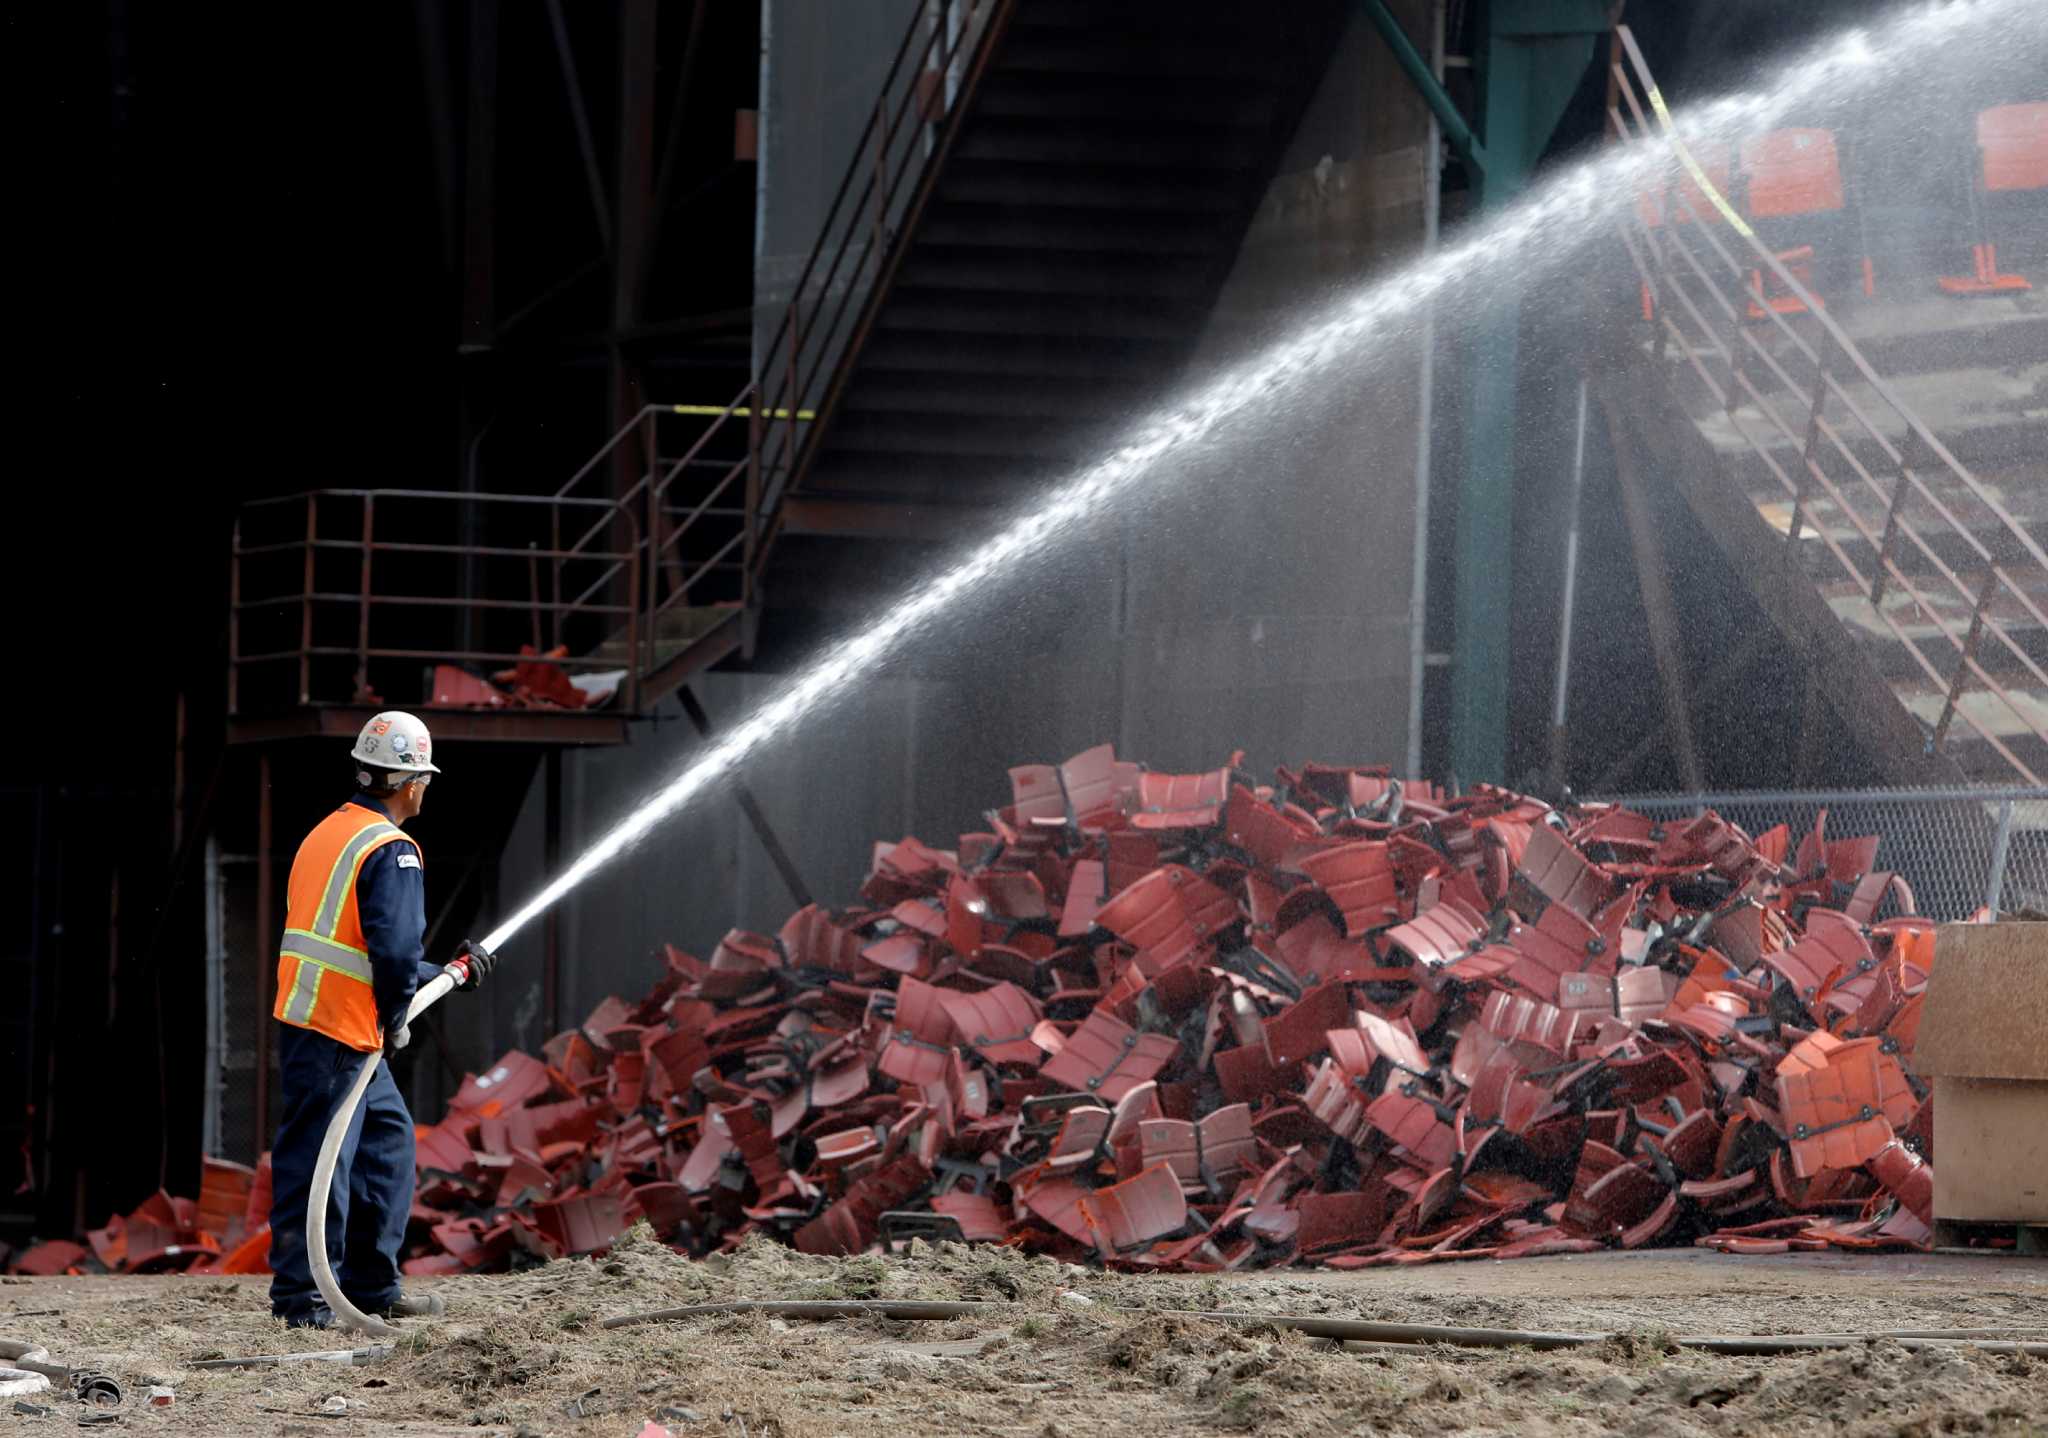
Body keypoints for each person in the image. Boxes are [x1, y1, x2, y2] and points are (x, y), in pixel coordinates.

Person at [267, 711, 497, 1327]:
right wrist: (400, 1012)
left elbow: (356, 946)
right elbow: (390, 953)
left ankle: (372, 1286)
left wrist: (444, 973)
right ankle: (304, 1300)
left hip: (326, 1021)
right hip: (340, 1030)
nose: (424, 789)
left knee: (386, 1150)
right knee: (320, 1167)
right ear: (410, 783)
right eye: (423, 778)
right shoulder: (392, 850)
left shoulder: (329, 832)